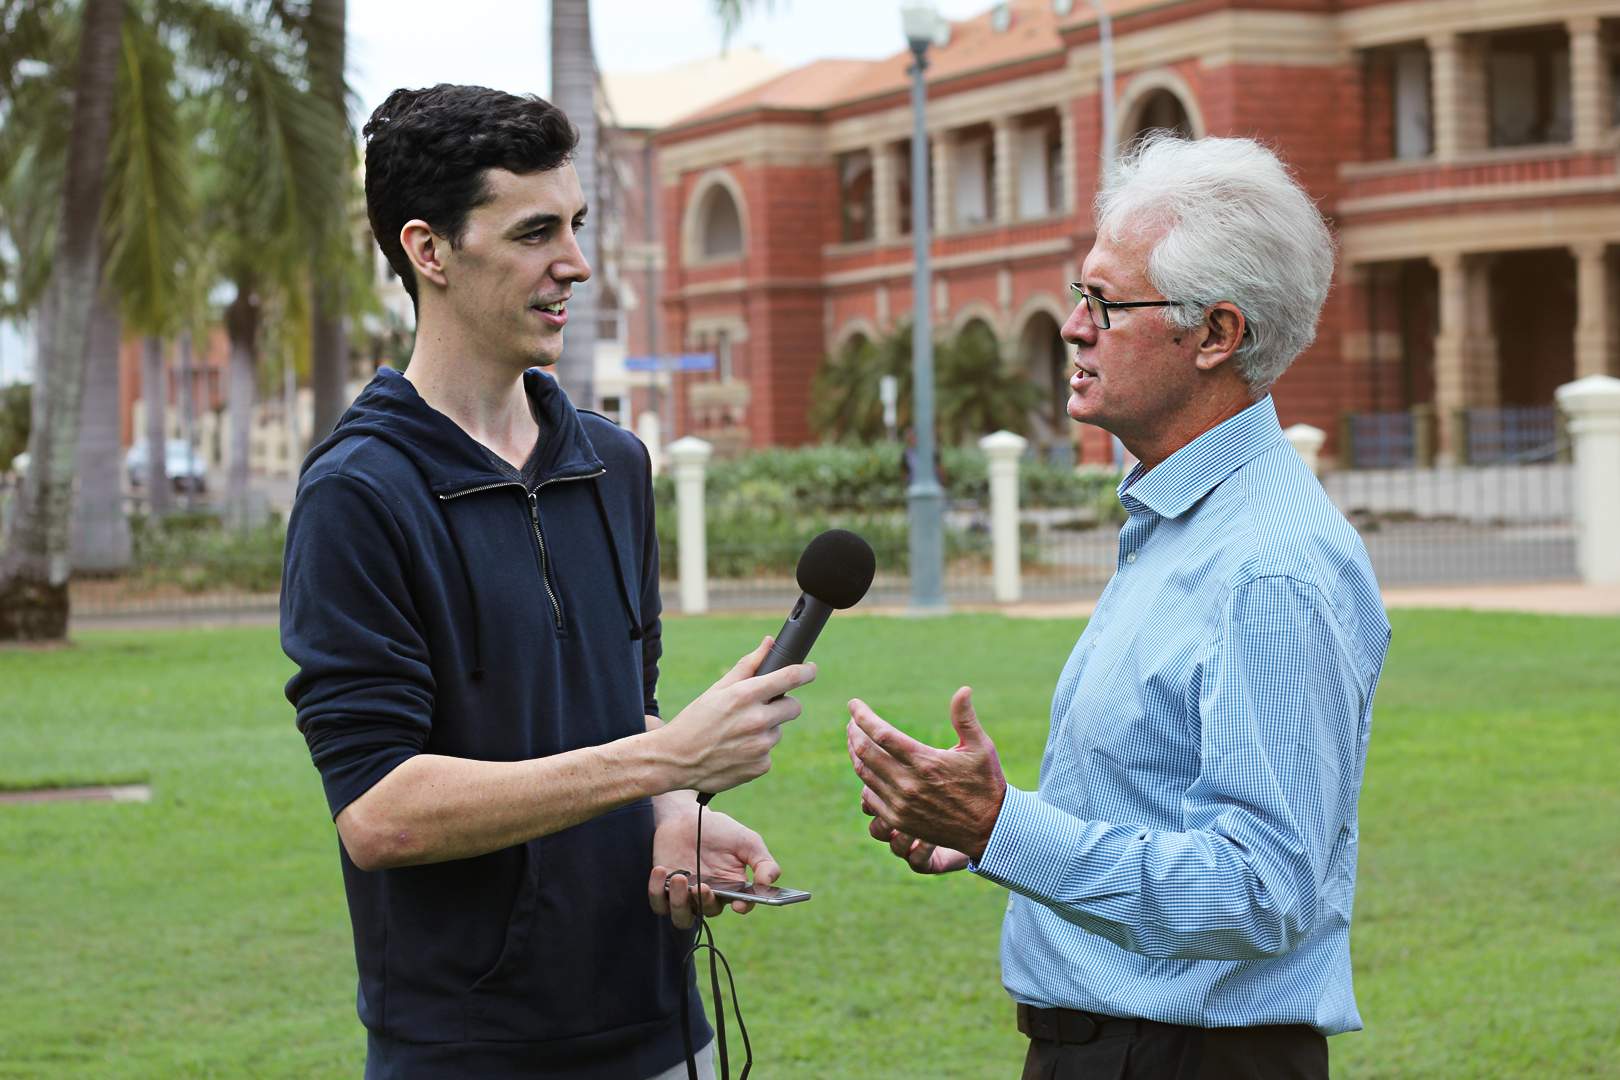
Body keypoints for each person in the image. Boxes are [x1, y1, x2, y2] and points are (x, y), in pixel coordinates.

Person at [280, 84, 815, 1080]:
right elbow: (381, 812)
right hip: (475, 1052)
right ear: (428, 251)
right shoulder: (359, 493)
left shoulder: (615, 464)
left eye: (576, 224)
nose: (575, 262)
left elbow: (624, 711)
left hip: (665, 1029)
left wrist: (670, 818)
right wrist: (664, 768)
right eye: (534, 232)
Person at [846, 134, 1391, 1079]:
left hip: (1187, 1061)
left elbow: (1262, 892)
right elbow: (1156, 806)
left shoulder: (1272, 565)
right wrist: (991, 833)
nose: (1072, 326)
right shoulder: (1178, 518)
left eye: (1105, 301)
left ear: (1215, 336)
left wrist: (999, 827)